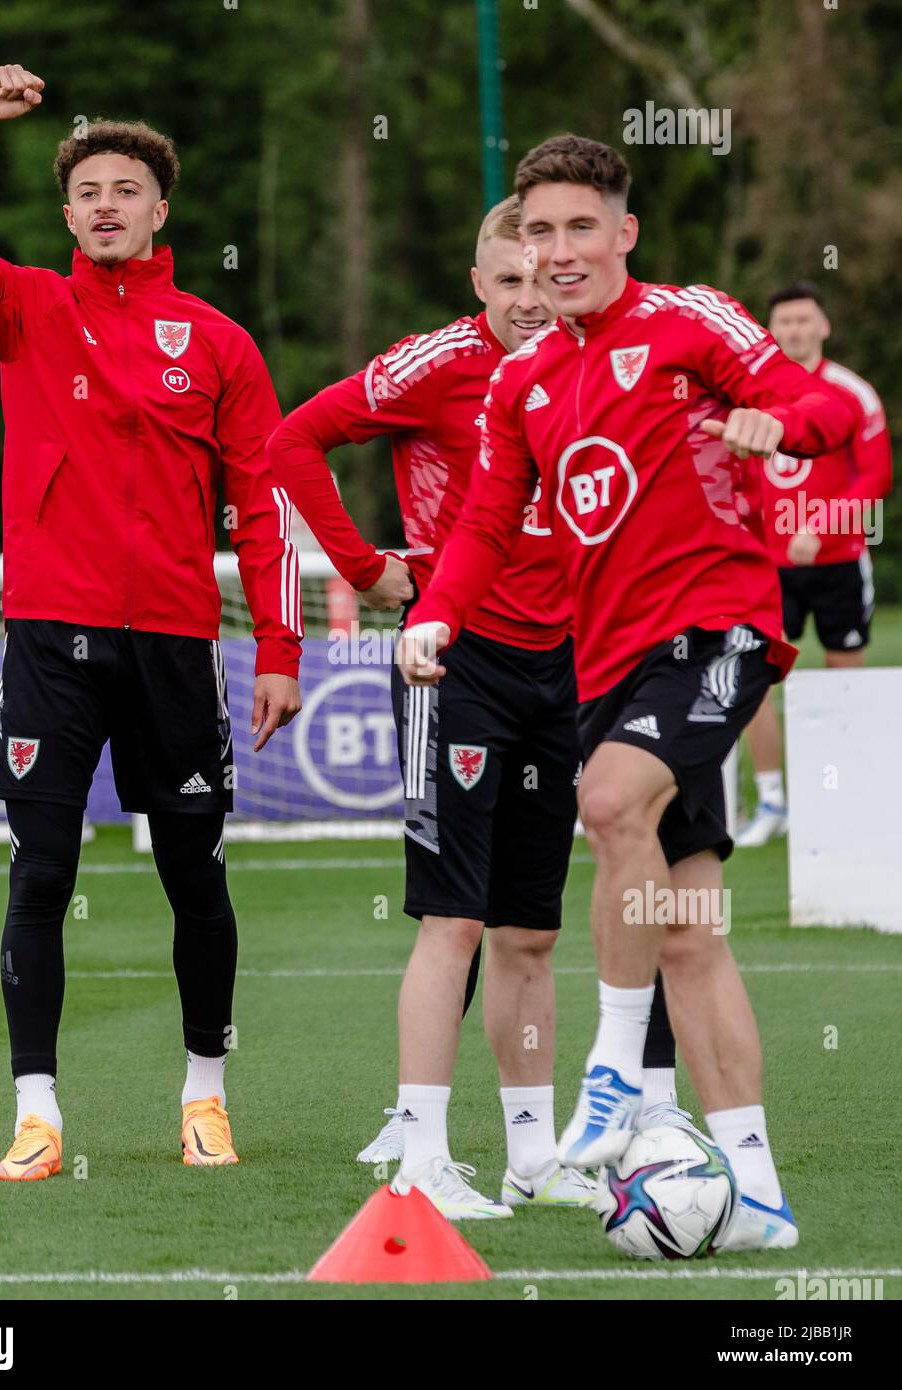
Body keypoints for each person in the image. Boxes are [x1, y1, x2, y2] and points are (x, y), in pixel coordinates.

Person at [399, 135, 862, 1249]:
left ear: (622, 232)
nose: (557, 253)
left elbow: (820, 409)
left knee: (604, 804)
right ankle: (755, 1197)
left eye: (577, 228)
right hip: (602, 666)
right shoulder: (519, 380)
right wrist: (434, 613)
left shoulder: (690, 318)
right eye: (537, 233)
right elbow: (482, 521)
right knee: (690, 929)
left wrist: (774, 423)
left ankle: (613, 1074)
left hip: (713, 631)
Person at [0, 66, 302, 1179]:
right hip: (49, 637)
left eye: (128, 188)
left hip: (175, 643)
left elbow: (258, 507)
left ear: (161, 210)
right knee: (40, 871)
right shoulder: (26, 305)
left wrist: (277, 649)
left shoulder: (216, 341)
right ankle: (37, 1112)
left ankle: (204, 1099)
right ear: (68, 211)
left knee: (194, 875)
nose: (108, 205)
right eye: (88, 191)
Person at [269, 196, 681, 1220]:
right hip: (449, 659)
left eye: (547, 278)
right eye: (508, 282)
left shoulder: (596, 363)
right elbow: (291, 439)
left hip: (567, 661)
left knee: (529, 932)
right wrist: (367, 568)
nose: (531, 300)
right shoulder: (433, 365)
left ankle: (530, 1156)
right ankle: (418, 1155)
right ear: (477, 284)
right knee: (449, 919)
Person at [737, 282, 892, 846]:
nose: (794, 331)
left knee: (841, 682)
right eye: (784, 322)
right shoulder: (751, 393)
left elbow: (875, 479)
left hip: (838, 563)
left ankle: (839, 795)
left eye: (804, 320)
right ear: (770, 330)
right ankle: (773, 800)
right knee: (758, 677)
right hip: (766, 566)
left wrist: (821, 526)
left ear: (823, 326)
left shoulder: (852, 393)